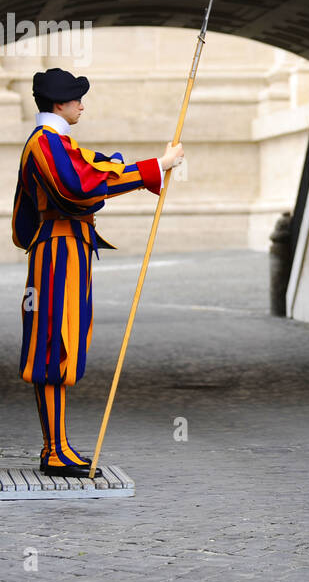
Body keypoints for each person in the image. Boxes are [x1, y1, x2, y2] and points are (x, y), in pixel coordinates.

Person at [11, 68, 184, 476]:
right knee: (55, 344)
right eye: (76, 99)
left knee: (62, 341)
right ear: (59, 104)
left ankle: (58, 446)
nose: (81, 105)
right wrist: (156, 165)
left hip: (67, 249)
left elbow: (94, 168)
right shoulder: (45, 144)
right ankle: (54, 450)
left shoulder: (55, 143)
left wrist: (152, 169)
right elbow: (82, 185)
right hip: (58, 252)